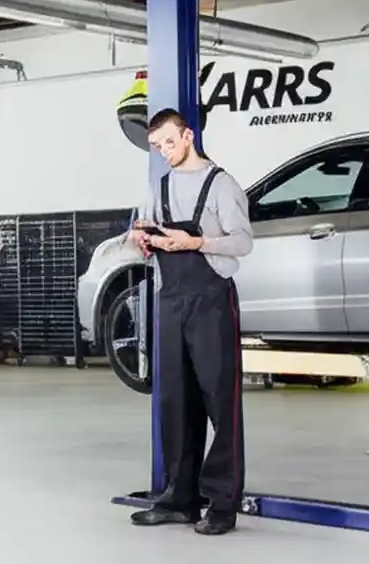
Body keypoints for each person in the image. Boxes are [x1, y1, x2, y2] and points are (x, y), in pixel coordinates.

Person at [128, 107, 254, 536]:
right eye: (156, 146)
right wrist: (142, 239)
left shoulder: (222, 184)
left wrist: (196, 241)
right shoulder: (159, 187)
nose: (163, 151)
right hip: (171, 300)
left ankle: (222, 504)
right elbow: (141, 233)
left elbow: (243, 242)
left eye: (168, 141)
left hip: (211, 300)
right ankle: (179, 499)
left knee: (221, 401)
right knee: (175, 401)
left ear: (188, 136)